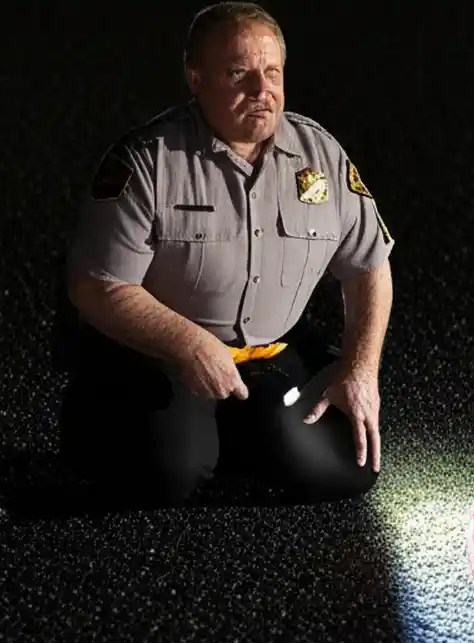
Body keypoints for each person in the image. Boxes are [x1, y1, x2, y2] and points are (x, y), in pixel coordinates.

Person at [56, 2, 395, 508]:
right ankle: (111, 420)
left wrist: (360, 370)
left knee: (349, 467)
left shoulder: (321, 156)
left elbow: (369, 265)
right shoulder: (149, 162)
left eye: (272, 72)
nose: (262, 91)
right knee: (166, 475)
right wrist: (188, 343)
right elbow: (95, 284)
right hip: (163, 353)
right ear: (196, 78)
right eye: (239, 73)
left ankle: (237, 430)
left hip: (270, 353)